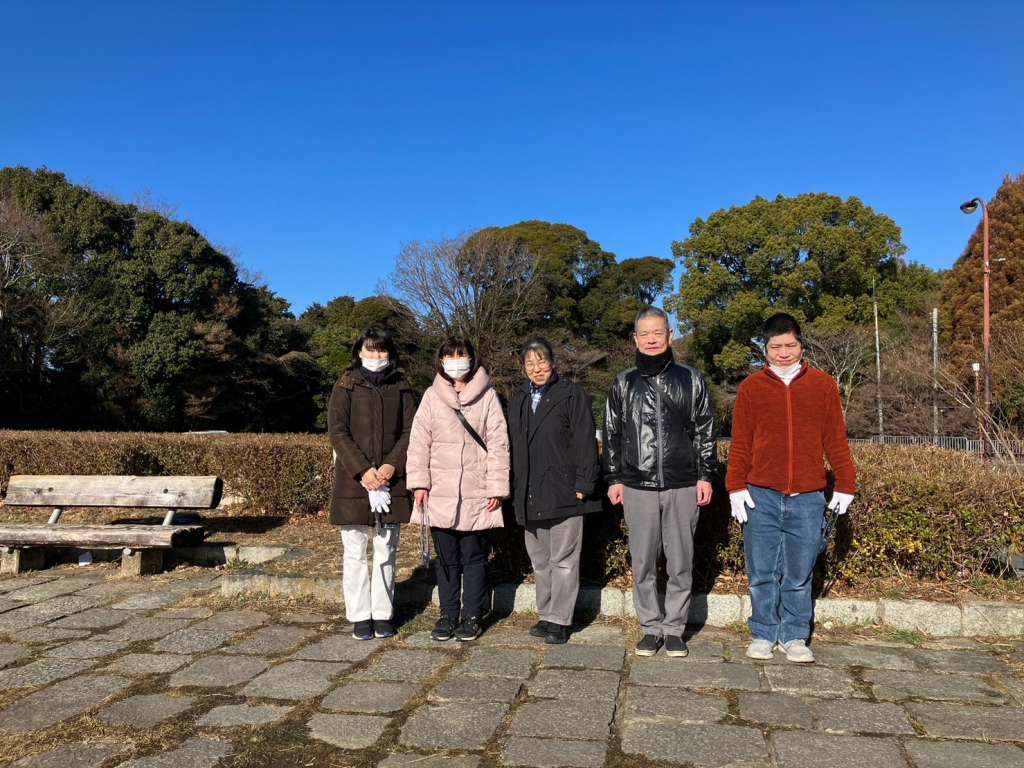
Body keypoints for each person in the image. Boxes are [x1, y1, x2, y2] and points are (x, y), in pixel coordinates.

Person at [727, 313, 856, 663]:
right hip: (761, 494)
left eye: (790, 345)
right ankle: (764, 632)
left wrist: (846, 482)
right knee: (762, 572)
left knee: (799, 572)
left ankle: (795, 634)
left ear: (801, 345)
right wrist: (735, 486)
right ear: (765, 349)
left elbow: (836, 439)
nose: (784, 352)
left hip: (808, 496)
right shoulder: (751, 388)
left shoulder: (823, 385)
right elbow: (740, 443)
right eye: (776, 346)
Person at [604, 307, 717, 657]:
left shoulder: (692, 379)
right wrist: (613, 477)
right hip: (637, 484)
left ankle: (674, 629)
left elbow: (705, 430)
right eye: (644, 334)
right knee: (643, 561)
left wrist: (706, 474)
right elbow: (612, 433)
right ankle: (650, 626)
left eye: (658, 332)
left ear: (670, 335)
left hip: (682, 483)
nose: (652, 339)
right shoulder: (623, 383)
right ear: (635, 339)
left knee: (681, 559)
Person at [407, 336, 510, 642]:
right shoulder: (431, 396)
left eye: (461, 355)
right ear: (440, 361)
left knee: (475, 557)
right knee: (447, 558)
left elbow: (498, 444)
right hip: (439, 491)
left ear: (472, 358)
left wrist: (496, 488)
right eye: (449, 356)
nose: (455, 361)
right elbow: (418, 443)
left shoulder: (488, 395)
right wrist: (419, 484)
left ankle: (472, 615)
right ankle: (448, 614)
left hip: (478, 491)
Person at [508, 338, 600, 644]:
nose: (536, 369)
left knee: (564, 559)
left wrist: (584, 484)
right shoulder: (519, 398)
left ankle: (561, 618)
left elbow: (586, 441)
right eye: (530, 364)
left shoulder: (572, 395)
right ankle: (546, 613)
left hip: (565, 490)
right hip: (530, 491)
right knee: (540, 559)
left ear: (554, 363)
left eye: (541, 362)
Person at [327, 326, 417, 641]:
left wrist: (392, 464)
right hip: (355, 482)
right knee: (354, 550)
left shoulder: (402, 387)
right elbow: (338, 431)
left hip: (391, 480)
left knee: (386, 548)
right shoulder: (345, 386)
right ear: (359, 352)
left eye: (381, 351)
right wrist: (363, 470)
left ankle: (381, 613)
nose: (375, 356)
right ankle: (358, 613)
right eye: (370, 350)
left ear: (390, 354)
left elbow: (410, 430)